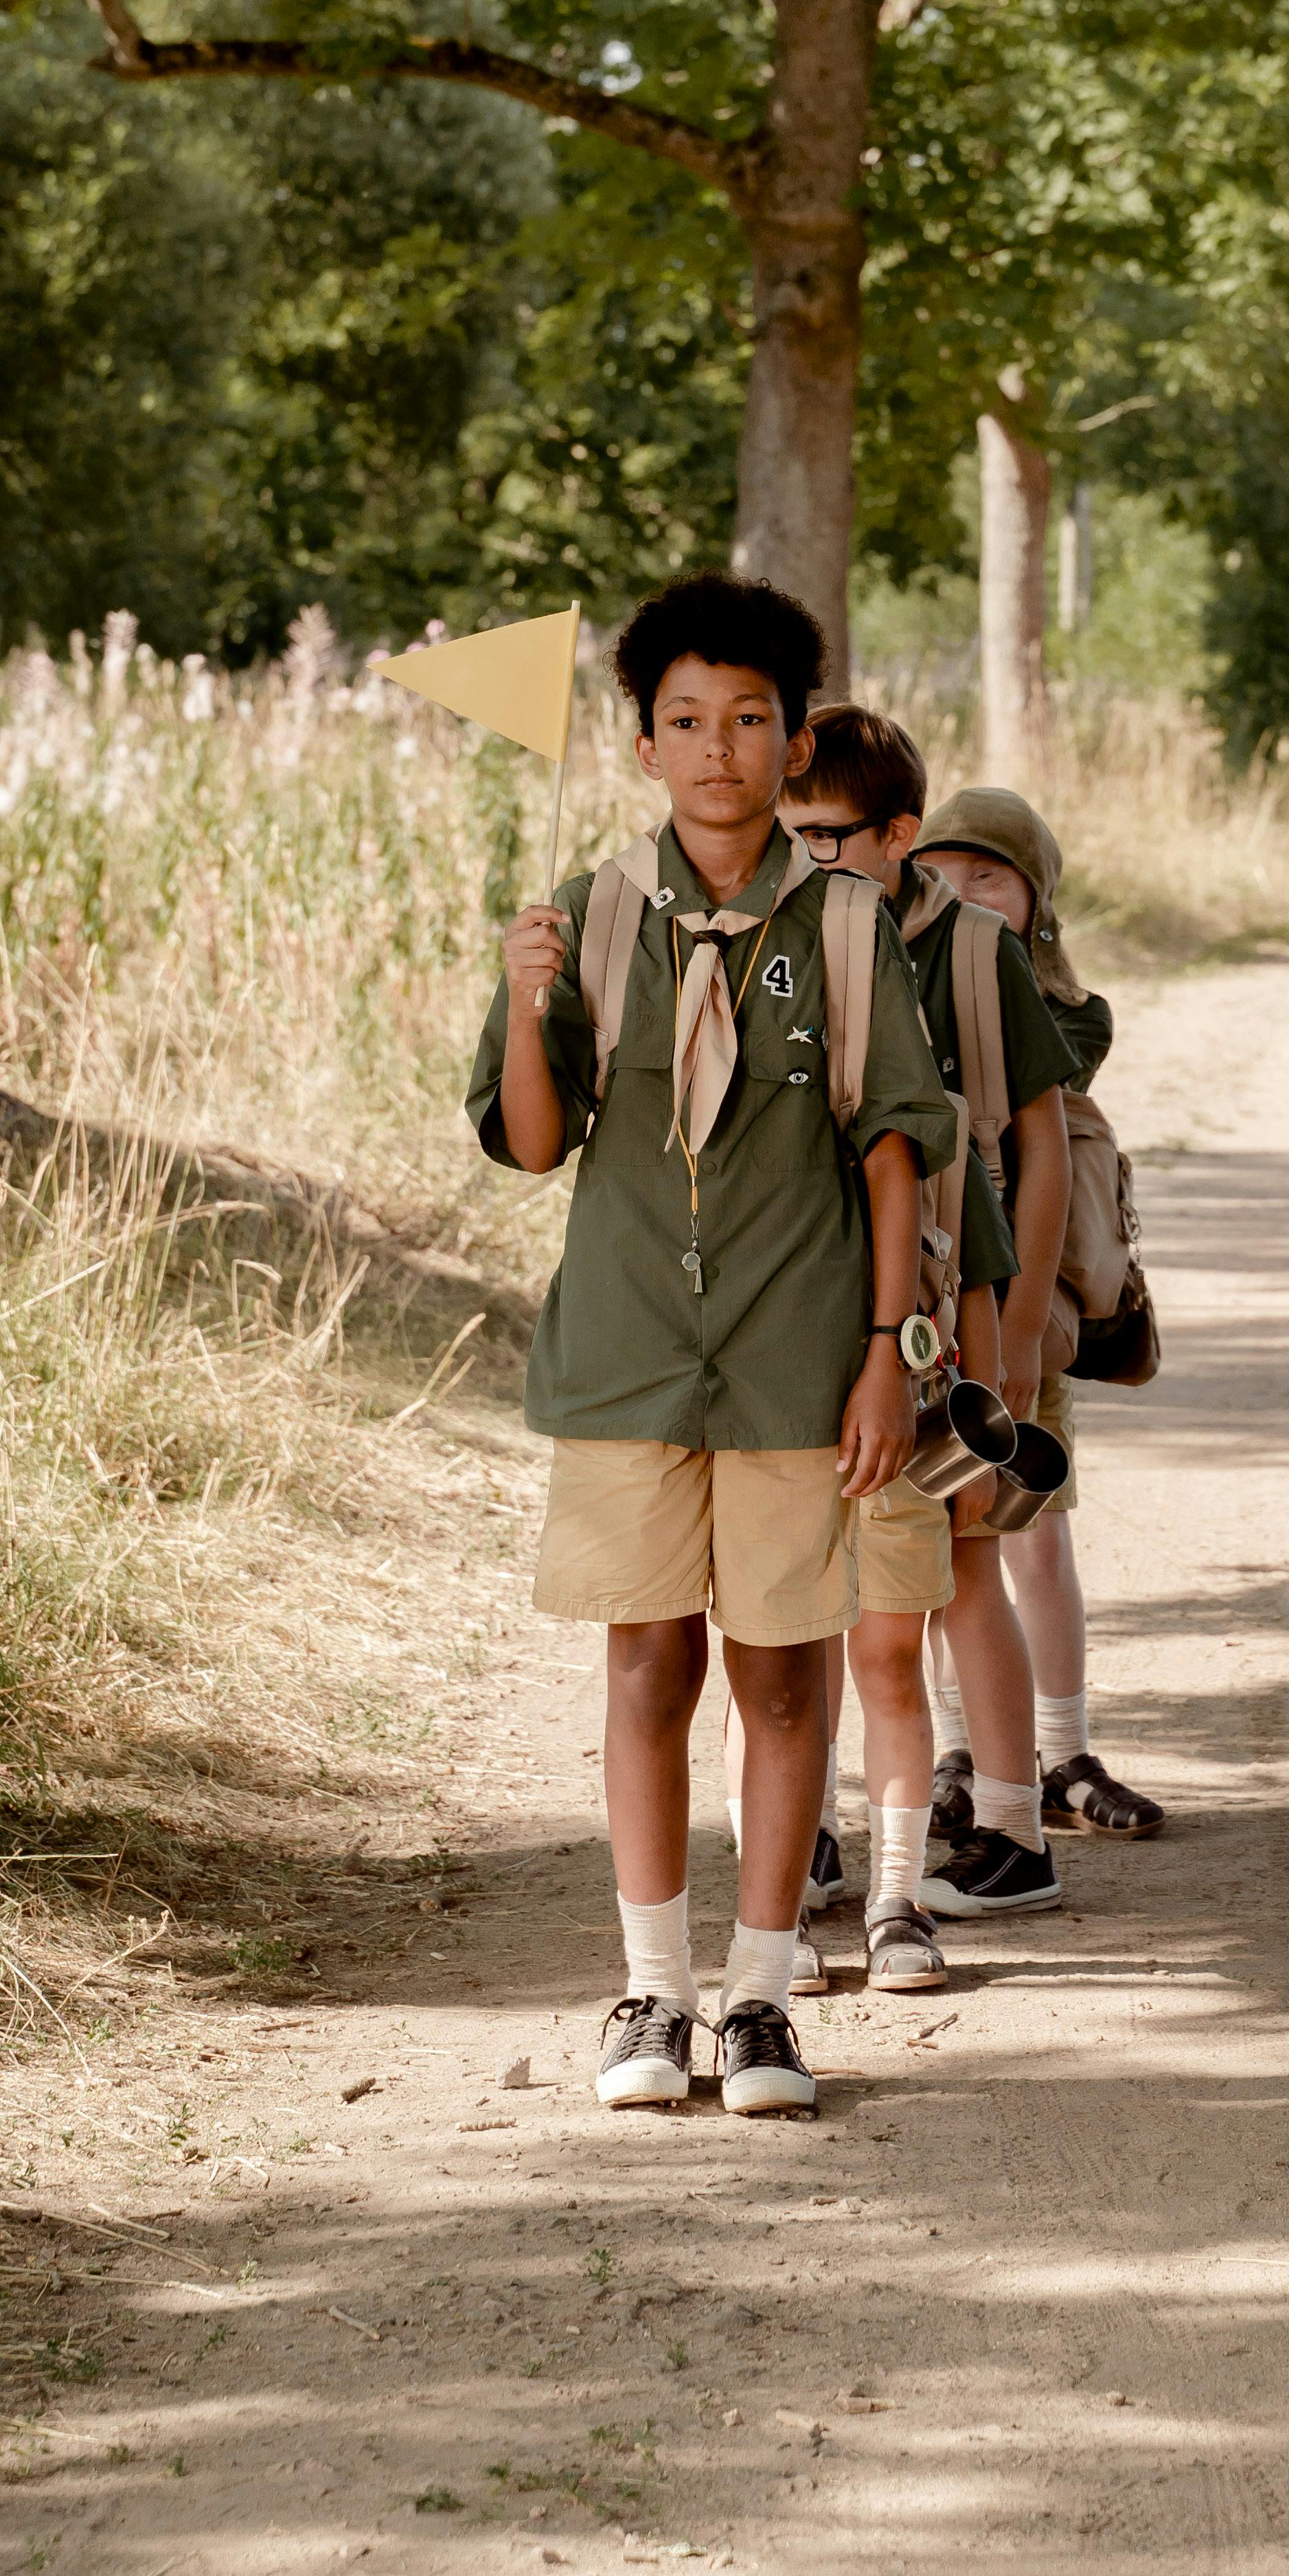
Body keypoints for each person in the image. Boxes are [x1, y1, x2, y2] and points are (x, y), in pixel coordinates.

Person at [468, 576, 959, 2117]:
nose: (718, 750)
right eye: (685, 721)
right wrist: (522, 999)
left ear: (792, 737)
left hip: (794, 1348)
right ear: (640, 746)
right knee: (642, 1661)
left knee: (785, 1675)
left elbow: (890, 1148)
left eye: (749, 720)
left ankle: (759, 2001)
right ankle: (648, 1992)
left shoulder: (847, 925)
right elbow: (536, 1144)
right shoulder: (597, 907)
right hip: (625, 1347)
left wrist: (885, 1349)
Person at [790, 704, 1082, 1923]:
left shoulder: (968, 949)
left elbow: (1042, 1142)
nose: (799, 854)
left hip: (955, 1316)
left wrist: (1014, 1343)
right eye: (784, 831)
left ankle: (1013, 1829)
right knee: (791, 1575)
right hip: (813, 1310)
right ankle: (800, 1832)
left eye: (825, 836)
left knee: (966, 1565)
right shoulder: (772, 934)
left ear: (895, 836)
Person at [913, 783, 1168, 1843]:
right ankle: (957, 1751)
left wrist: (1019, 1329)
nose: (964, 894)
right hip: (920, 1304)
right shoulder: (893, 980)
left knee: (1035, 1537)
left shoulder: (1067, 1012)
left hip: (1018, 1303)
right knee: (932, 1542)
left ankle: (1063, 1750)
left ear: (1037, 902)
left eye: (991, 879)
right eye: (941, 874)